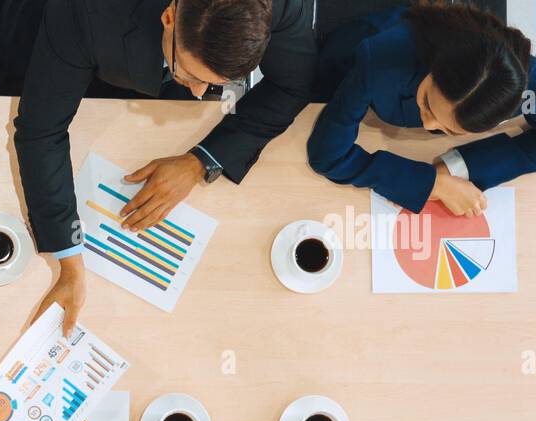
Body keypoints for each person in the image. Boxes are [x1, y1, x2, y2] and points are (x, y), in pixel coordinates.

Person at [16, 0, 317, 335]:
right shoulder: (84, 12)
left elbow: (293, 84)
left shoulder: (281, 4)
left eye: (217, 82)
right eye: (188, 74)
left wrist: (201, 159)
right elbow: (41, 131)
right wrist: (69, 261)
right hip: (89, 42)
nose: (203, 94)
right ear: (170, 16)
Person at [308, 1, 536, 217]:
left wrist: (455, 168)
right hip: (343, 67)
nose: (428, 126)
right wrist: (430, 184)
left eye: (450, 129)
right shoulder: (380, 62)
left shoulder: (531, 88)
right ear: (433, 67)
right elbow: (327, 154)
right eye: (427, 102)